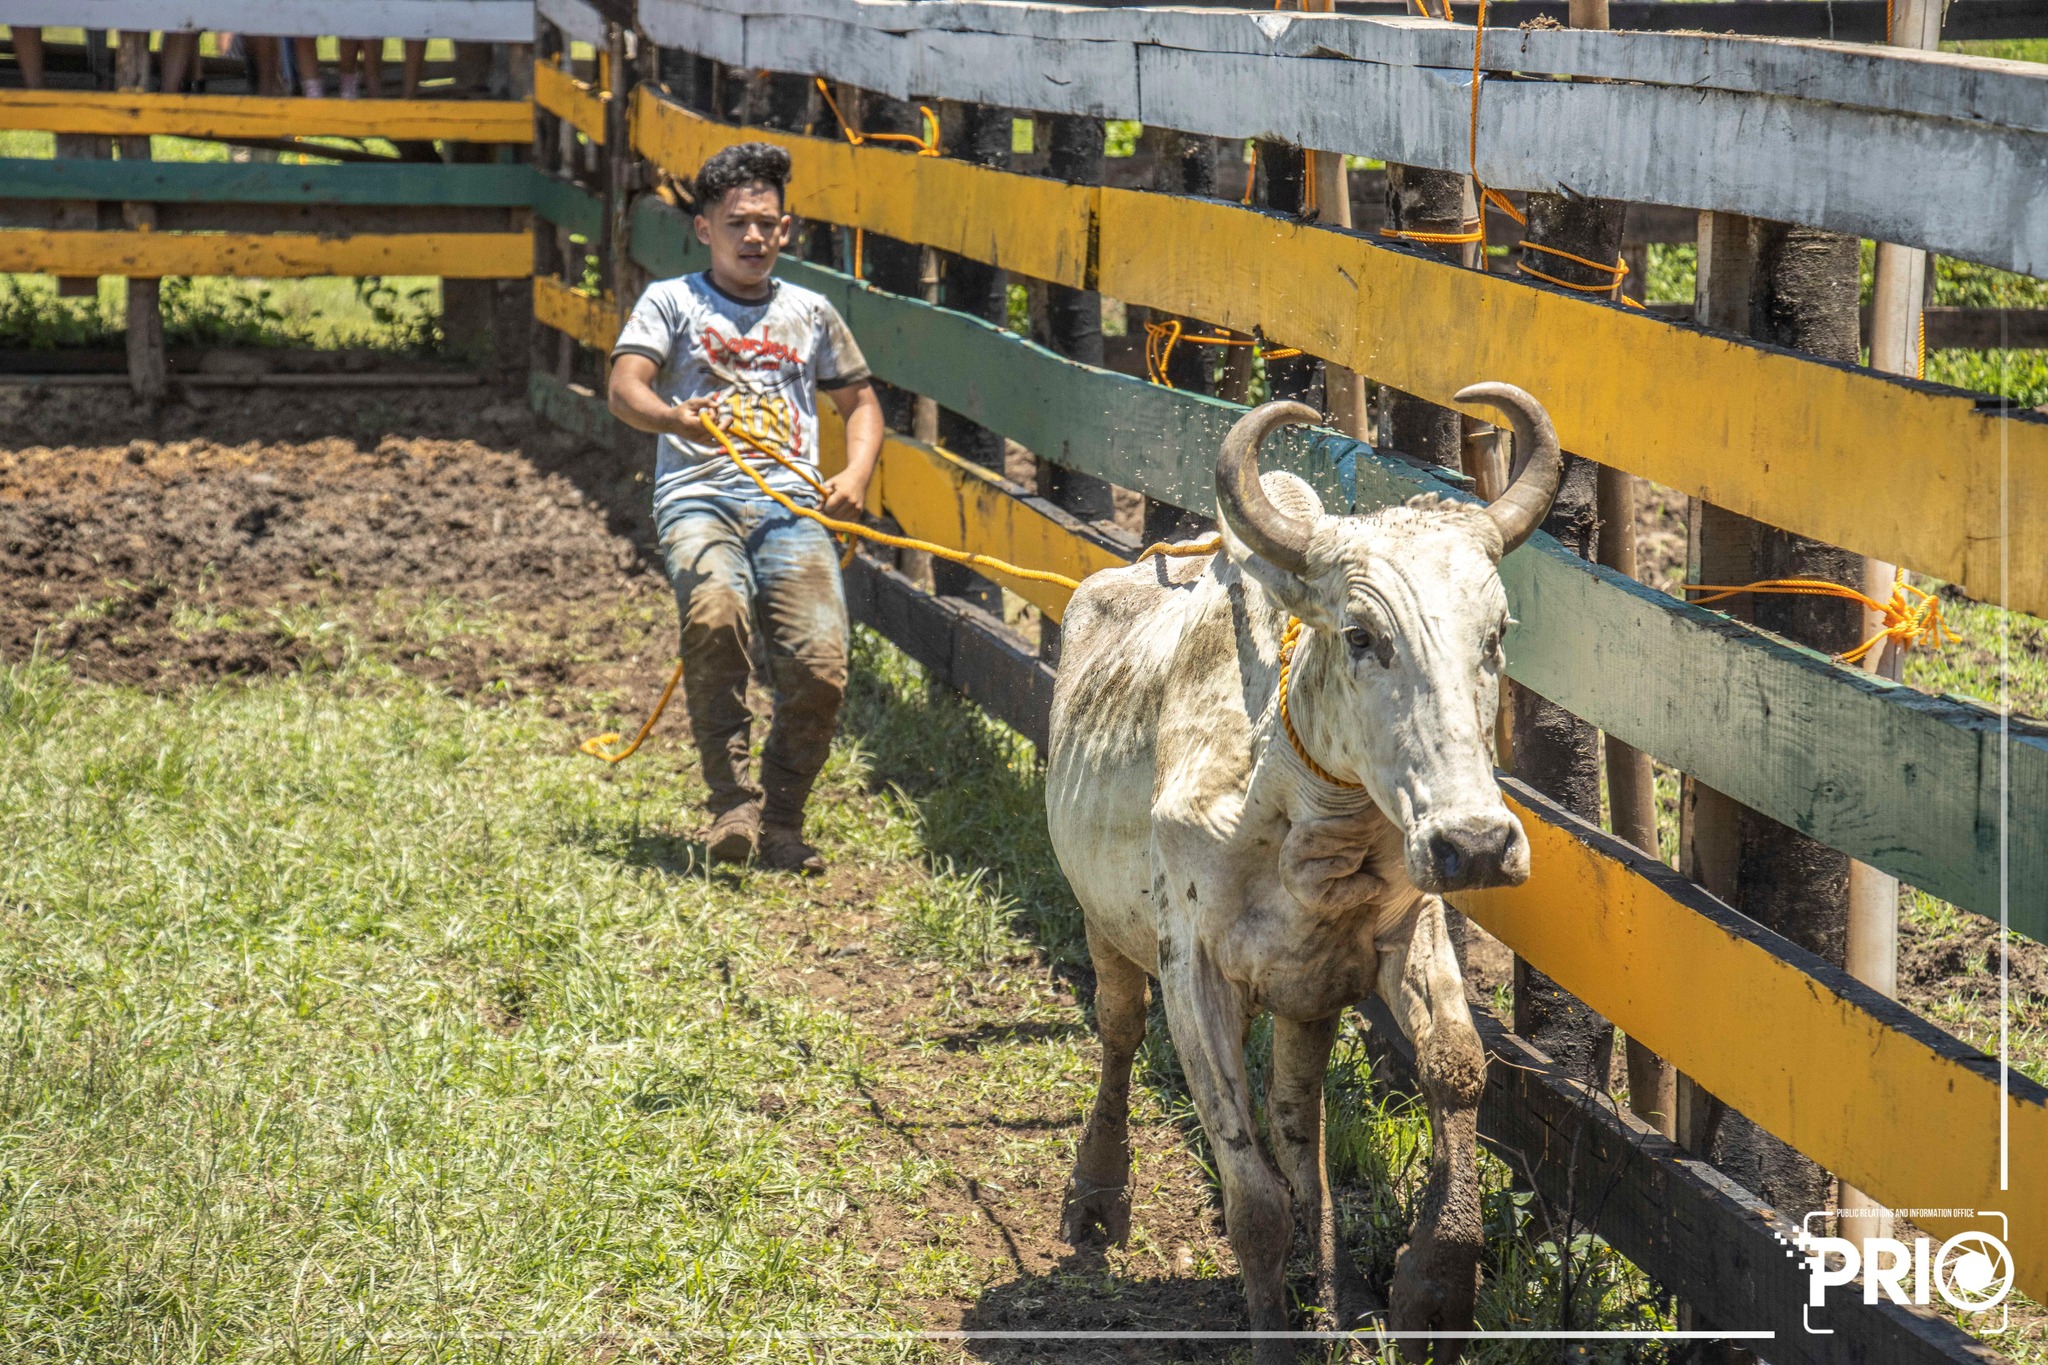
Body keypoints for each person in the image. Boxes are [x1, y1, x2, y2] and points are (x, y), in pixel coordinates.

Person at [606, 143, 884, 874]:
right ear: (705, 229)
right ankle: (731, 800)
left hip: (791, 505)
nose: (753, 238)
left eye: (766, 223)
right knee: (713, 613)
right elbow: (626, 386)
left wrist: (854, 472)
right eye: (737, 224)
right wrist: (674, 419)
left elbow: (860, 402)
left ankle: (783, 817)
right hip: (698, 493)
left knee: (821, 665)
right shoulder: (671, 301)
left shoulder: (811, 312)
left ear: (786, 229)